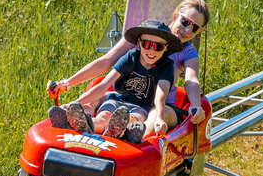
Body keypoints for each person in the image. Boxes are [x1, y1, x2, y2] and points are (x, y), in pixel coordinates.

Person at [47, 0, 209, 131]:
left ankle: (134, 135)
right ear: (176, 15)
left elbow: (191, 79)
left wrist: (195, 106)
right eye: (185, 22)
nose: (187, 30)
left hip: (156, 106)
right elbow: (106, 62)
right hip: (125, 97)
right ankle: (78, 121)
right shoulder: (147, 34)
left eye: (195, 28)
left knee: (155, 113)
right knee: (98, 96)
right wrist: (67, 84)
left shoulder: (187, 53)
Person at [49, 19, 177, 143]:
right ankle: (82, 124)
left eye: (158, 47)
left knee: (133, 120)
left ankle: (121, 132)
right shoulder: (131, 57)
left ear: (165, 48)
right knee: (104, 116)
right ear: (139, 43)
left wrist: (159, 117)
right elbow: (104, 85)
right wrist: (75, 103)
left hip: (141, 106)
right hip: (116, 99)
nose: (151, 51)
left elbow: (161, 94)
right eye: (147, 44)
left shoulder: (166, 65)